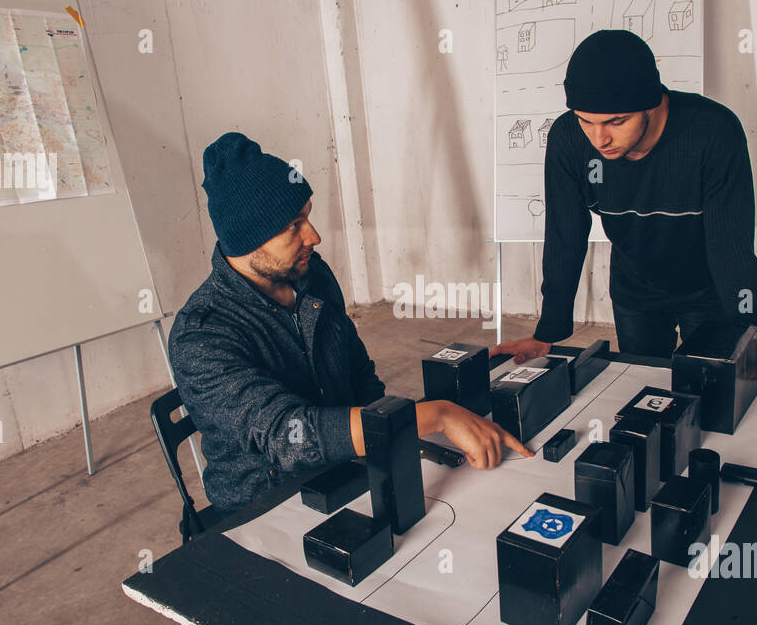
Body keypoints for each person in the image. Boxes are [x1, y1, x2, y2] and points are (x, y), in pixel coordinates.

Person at [169, 132, 530, 519]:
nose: (314, 236)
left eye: (307, 215)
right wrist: (435, 414)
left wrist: (403, 427)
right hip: (267, 507)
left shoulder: (313, 275)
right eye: (294, 225)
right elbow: (290, 435)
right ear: (247, 240)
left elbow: (357, 371)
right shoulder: (201, 335)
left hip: (351, 467)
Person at [494, 29, 757, 388]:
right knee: (646, 390)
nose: (599, 139)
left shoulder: (712, 133)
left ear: (652, 103)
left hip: (711, 291)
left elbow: (731, 254)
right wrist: (549, 330)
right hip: (635, 290)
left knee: (714, 395)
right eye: (585, 120)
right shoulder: (569, 140)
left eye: (616, 121)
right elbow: (564, 236)